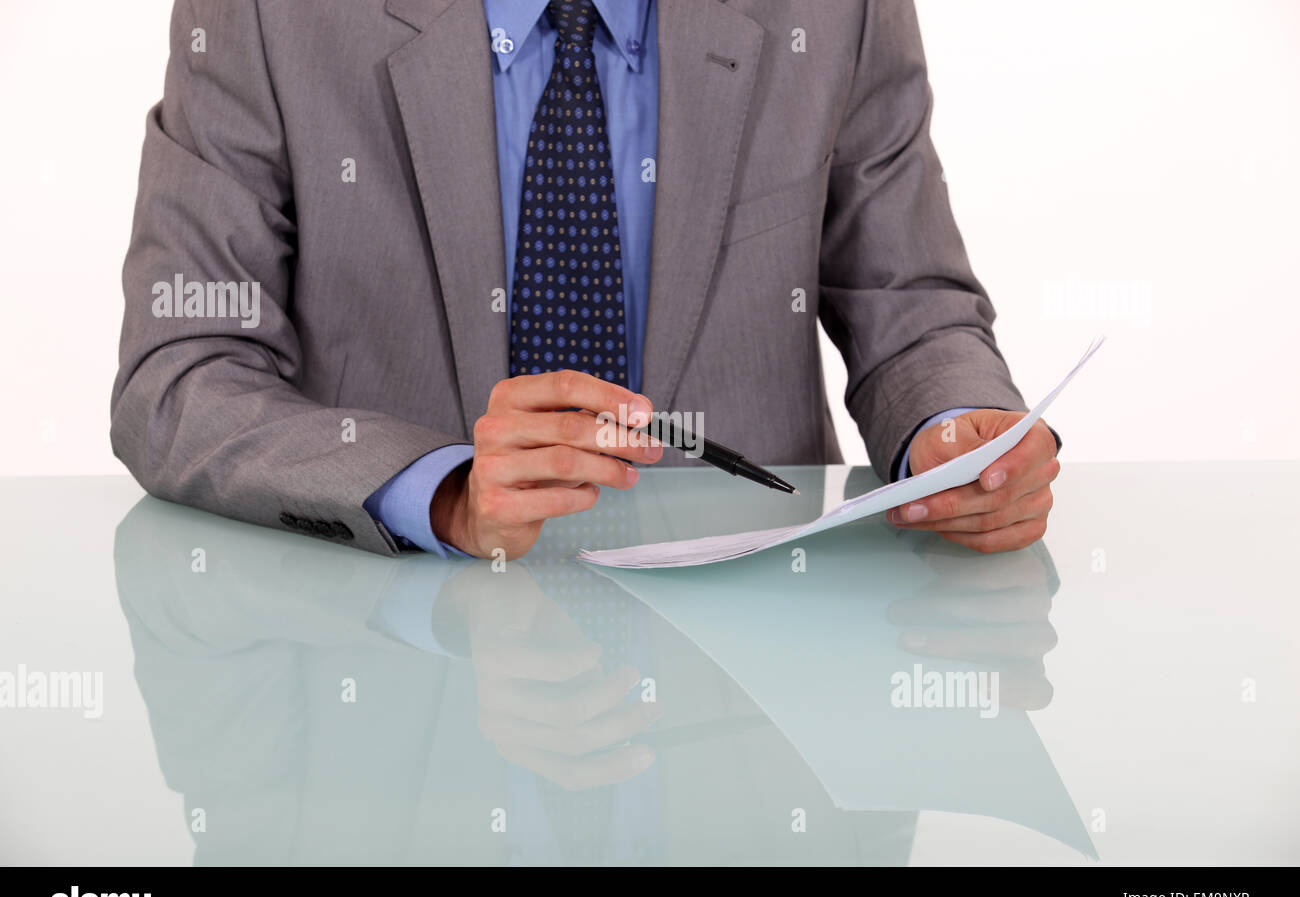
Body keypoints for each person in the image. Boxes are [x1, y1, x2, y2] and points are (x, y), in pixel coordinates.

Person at [112, 0, 1060, 560]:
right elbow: (180, 378)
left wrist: (956, 434)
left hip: (752, 688)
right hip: (394, 671)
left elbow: (908, 303)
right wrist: (443, 493)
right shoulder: (266, 19)